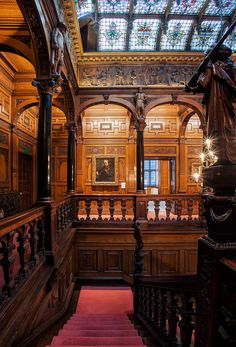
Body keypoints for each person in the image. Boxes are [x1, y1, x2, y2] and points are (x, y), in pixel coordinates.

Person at [186, 45, 236, 165]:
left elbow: (205, 81)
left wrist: (192, 88)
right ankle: (230, 155)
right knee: (229, 126)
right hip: (228, 101)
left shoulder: (211, 65)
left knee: (216, 127)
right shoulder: (231, 67)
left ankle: (219, 157)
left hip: (216, 101)